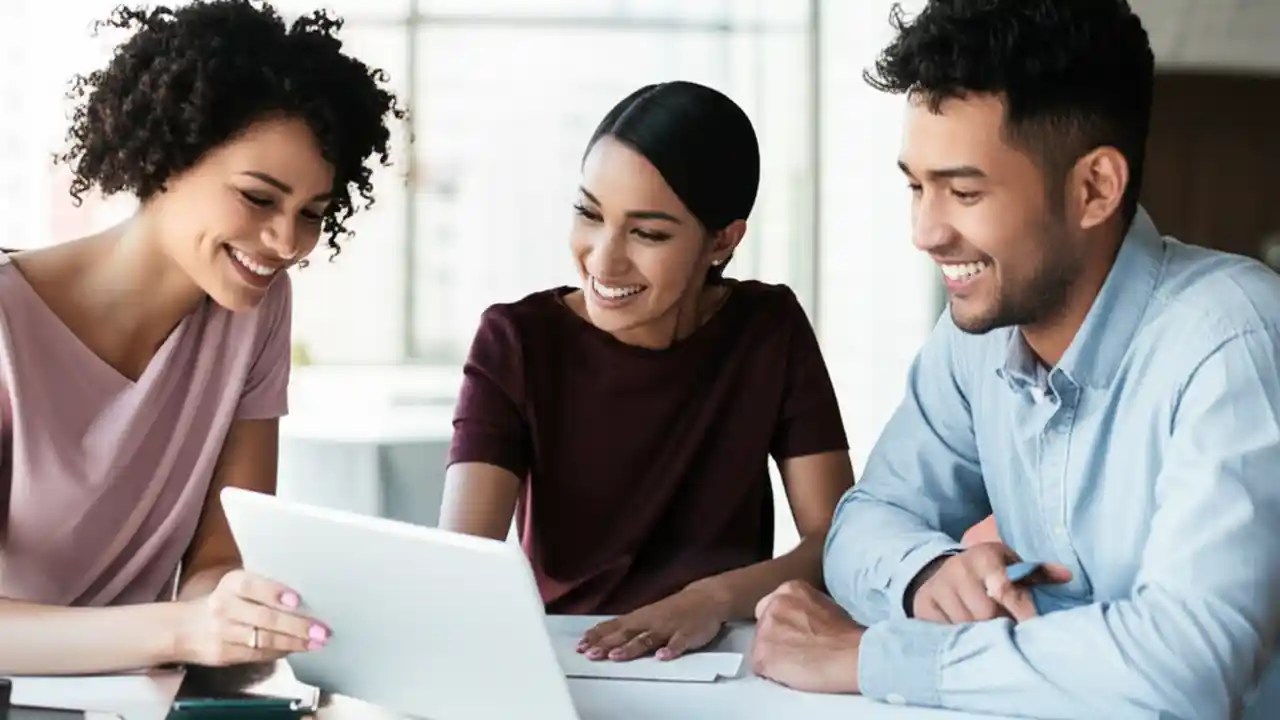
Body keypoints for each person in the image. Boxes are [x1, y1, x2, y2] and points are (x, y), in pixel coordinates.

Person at [750, 1, 1280, 718]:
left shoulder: (1233, 339)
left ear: (1094, 188)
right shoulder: (977, 335)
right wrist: (926, 574)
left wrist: (870, 657)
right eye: (917, 185)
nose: (926, 231)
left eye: (964, 192)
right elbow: (864, 521)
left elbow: (1187, 665)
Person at [0, 0, 402, 675]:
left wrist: (238, 608)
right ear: (166, 158)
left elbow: (217, 559)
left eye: (312, 213)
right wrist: (182, 632)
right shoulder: (9, 325)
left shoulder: (254, 310)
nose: (286, 243)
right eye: (258, 197)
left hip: (143, 698)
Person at [441, 81, 854, 662]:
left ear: (722, 240)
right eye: (589, 213)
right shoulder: (515, 340)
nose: (603, 259)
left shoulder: (768, 328)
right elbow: (459, 564)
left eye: (647, 232)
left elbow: (838, 545)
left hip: (723, 654)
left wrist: (713, 599)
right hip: (573, 659)